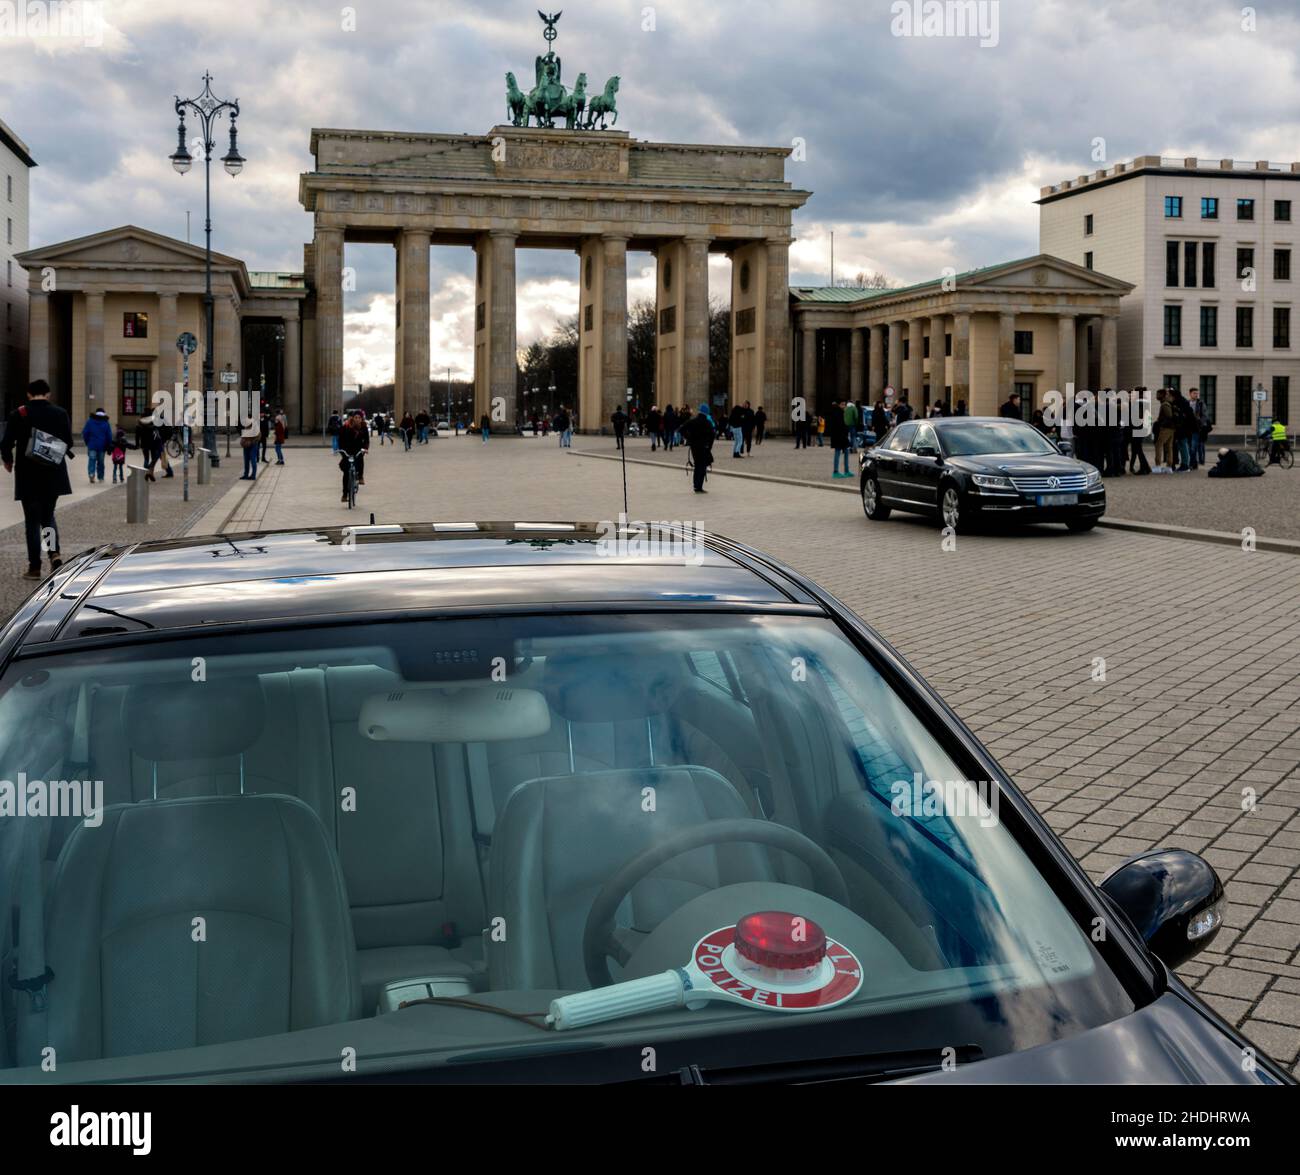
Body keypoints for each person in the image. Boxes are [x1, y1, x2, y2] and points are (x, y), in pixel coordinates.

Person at [2, 379, 74, 579]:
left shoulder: (19, 414)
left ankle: (34, 568)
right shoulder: (60, 413)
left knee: (32, 522)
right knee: (48, 516)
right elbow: (68, 442)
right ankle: (54, 554)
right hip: (53, 474)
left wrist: (7, 460)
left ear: (28, 394)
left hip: (28, 475)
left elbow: (6, 443)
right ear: (48, 394)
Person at [682, 401, 715, 493]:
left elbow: (681, 429)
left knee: (697, 465)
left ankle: (696, 485)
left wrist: (689, 438)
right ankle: (699, 486)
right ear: (707, 412)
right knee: (702, 466)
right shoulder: (708, 423)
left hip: (694, 447)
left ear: (699, 411)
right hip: (704, 447)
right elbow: (712, 435)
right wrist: (709, 447)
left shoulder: (693, 421)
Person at [338, 411, 369, 500]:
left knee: (360, 459)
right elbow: (341, 439)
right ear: (353, 418)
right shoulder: (346, 427)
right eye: (356, 417)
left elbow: (366, 440)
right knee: (346, 472)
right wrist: (342, 451)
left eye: (359, 418)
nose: (357, 419)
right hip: (347, 450)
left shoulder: (364, 427)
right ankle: (344, 494)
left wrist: (365, 448)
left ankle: (360, 476)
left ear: (361, 419)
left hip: (358, 449)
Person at [81, 407, 112, 484]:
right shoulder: (106, 423)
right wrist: (108, 445)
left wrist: (87, 442)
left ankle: (91, 474)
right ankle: (100, 477)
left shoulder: (90, 422)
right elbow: (109, 436)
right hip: (102, 446)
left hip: (92, 445)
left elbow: (85, 433)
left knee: (92, 460)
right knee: (101, 462)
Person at [1152, 388, 1175, 473]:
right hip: (1171, 428)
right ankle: (1169, 466)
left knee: (1159, 445)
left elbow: (1169, 416)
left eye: (1158, 394)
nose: (1157, 396)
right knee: (1169, 446)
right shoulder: (1168, 403)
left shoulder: (1165, 404)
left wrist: (1161, 423)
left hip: (1166, 428)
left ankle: (1158, 466)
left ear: (1163, 395)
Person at [1187, 387, 1210, 468]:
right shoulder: (1187, 403)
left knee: (1194, 447)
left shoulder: (1201, 403)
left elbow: (1205, 415)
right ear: (1190, 394)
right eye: (1194, 393)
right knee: (1189, 447)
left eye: (1197, 393)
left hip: (1197, 428)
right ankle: (1194, 462)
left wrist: (1200, 423)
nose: (1196, 395)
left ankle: (1193, 463)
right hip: (1188, 428)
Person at [828, 400, 852, 478]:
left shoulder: (838, 412)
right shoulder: (838, 413)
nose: (844, 406)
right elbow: (841, 426)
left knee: (845, 452)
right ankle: (836, 471)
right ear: (839, 405)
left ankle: (846, 470)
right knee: (838, 453)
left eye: (844, 404)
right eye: (842, 404)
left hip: (840, 436)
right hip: (839, 436)